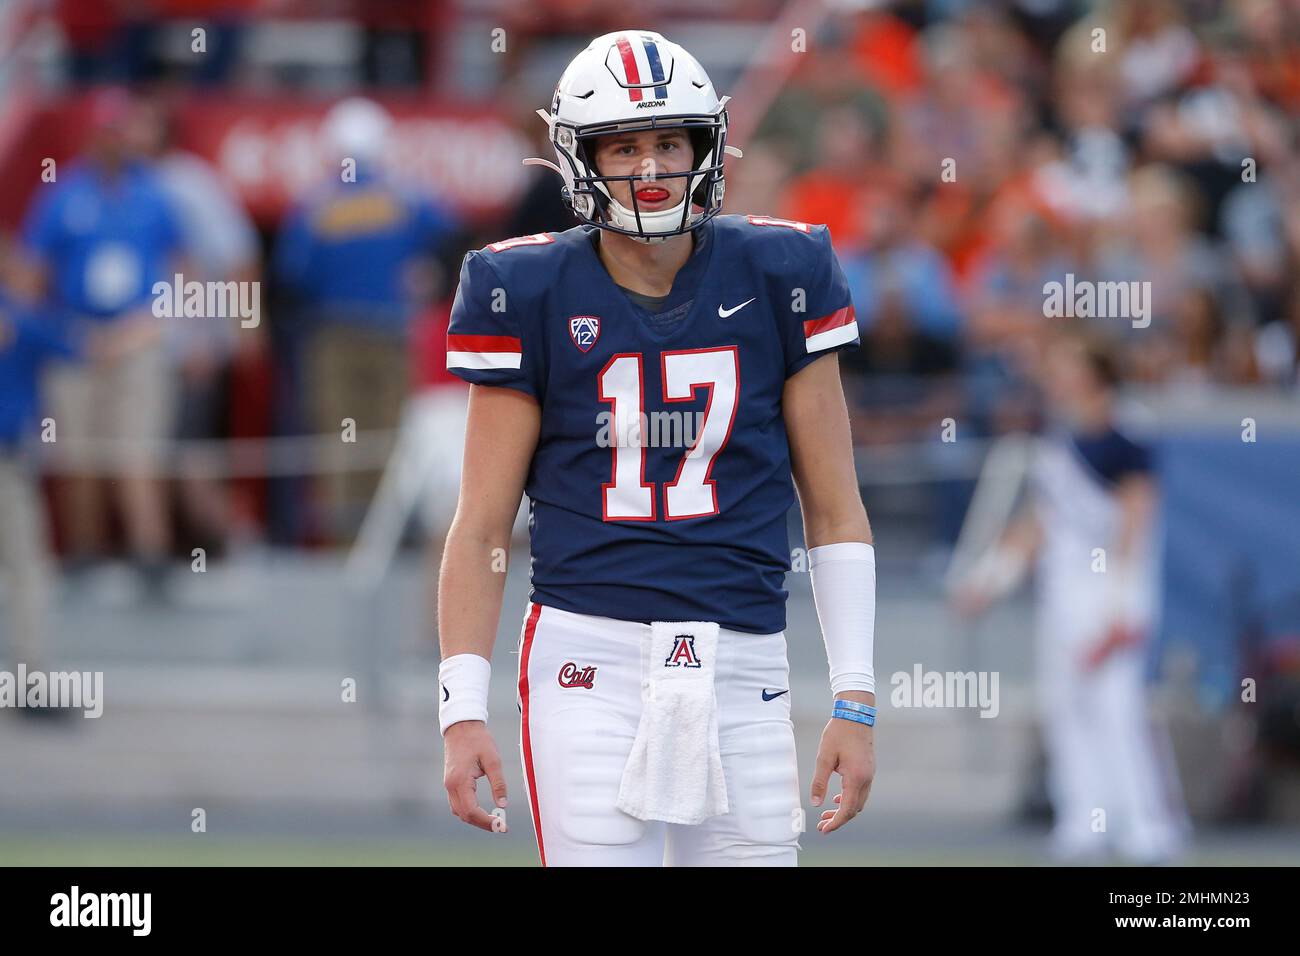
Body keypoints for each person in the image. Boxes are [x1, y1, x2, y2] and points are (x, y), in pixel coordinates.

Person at [437, 31, 878, 867]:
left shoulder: (782, 270)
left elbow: (834, 507)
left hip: (745, 655)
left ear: (705, 147)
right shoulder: (524, 288)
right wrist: (461, 704)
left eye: (669, 142)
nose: (650, 167)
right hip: (588, 662)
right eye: (625, 145)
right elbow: (484, 527)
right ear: (579, 160)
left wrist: (854, 698)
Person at [953, 331, 1190, 863]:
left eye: (1067, 365)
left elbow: (1136, 517)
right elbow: (1039, 522)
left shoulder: (1126, 433)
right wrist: (990, 578)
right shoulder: (1057, 441)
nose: (1055, 376)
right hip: (1062, 596)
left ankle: (1147, 825)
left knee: (1117, 709)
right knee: (1066, 709)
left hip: (1109, 592)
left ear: (1094, 373)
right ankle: (1084, 820)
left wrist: (1124, 602)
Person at [20, 87, 182, 597]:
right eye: (105, 131)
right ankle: (84, 551)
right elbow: (31, 275)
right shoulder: (62, 195)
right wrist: (57, 333)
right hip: (77, 340)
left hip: (137, 340)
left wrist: (147, 325)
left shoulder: (153, 196)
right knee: (78, 452)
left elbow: (183, 271)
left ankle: (150, 553)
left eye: (120, 130)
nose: (113, 140)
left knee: (138, 449)